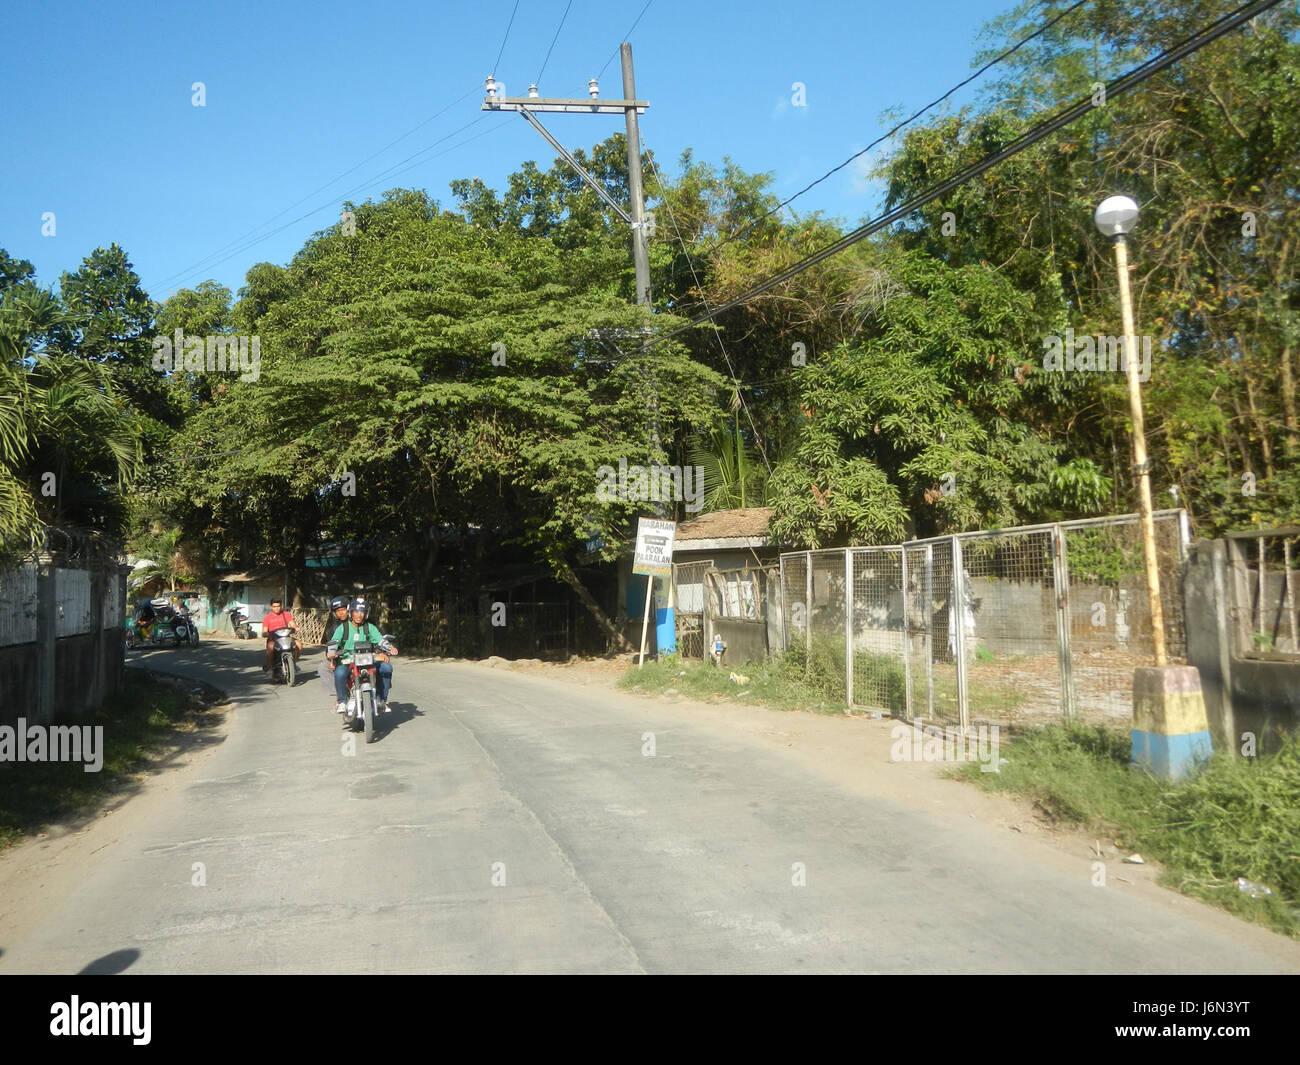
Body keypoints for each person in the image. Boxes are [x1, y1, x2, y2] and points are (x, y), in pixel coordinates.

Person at [327, 599, 399, 715]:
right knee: (339, 673)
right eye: (356, 611)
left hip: (368, 658)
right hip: (348, 660)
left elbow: (380, 640)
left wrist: (390, 648)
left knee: (386, 668)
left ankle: (381, 700)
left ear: (366, 614)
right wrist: (331, 652)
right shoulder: (343, 628)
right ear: (351, 612)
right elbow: (333, 642)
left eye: (362, 612)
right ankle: (341, 702)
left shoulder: (369, 627)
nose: (359, 615)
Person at [318, 596, 350, 703]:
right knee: (323, 667)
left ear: (349, 609)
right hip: (340, 657)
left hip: (359, 655)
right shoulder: (332, 627)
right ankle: (339, 693)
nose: (341, 613)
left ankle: (379, 697)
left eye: (343, 610)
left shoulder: (357, 621)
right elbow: (329, 645)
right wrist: (331, 659)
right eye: (338, 611)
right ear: (334, 613)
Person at [262, 598, 302, 673]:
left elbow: (292, 623)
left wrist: (296, 627)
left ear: (281, 606)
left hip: (286, 637)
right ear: (271, 607)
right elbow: (264, 631)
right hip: (274, 639)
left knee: (299, 645)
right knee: (270, 647)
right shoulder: (267, 618)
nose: (276, 608)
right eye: (274, 606)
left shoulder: (286, 614)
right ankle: (271, 668)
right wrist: (266, 633)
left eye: (278, 606)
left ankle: (294, 663)